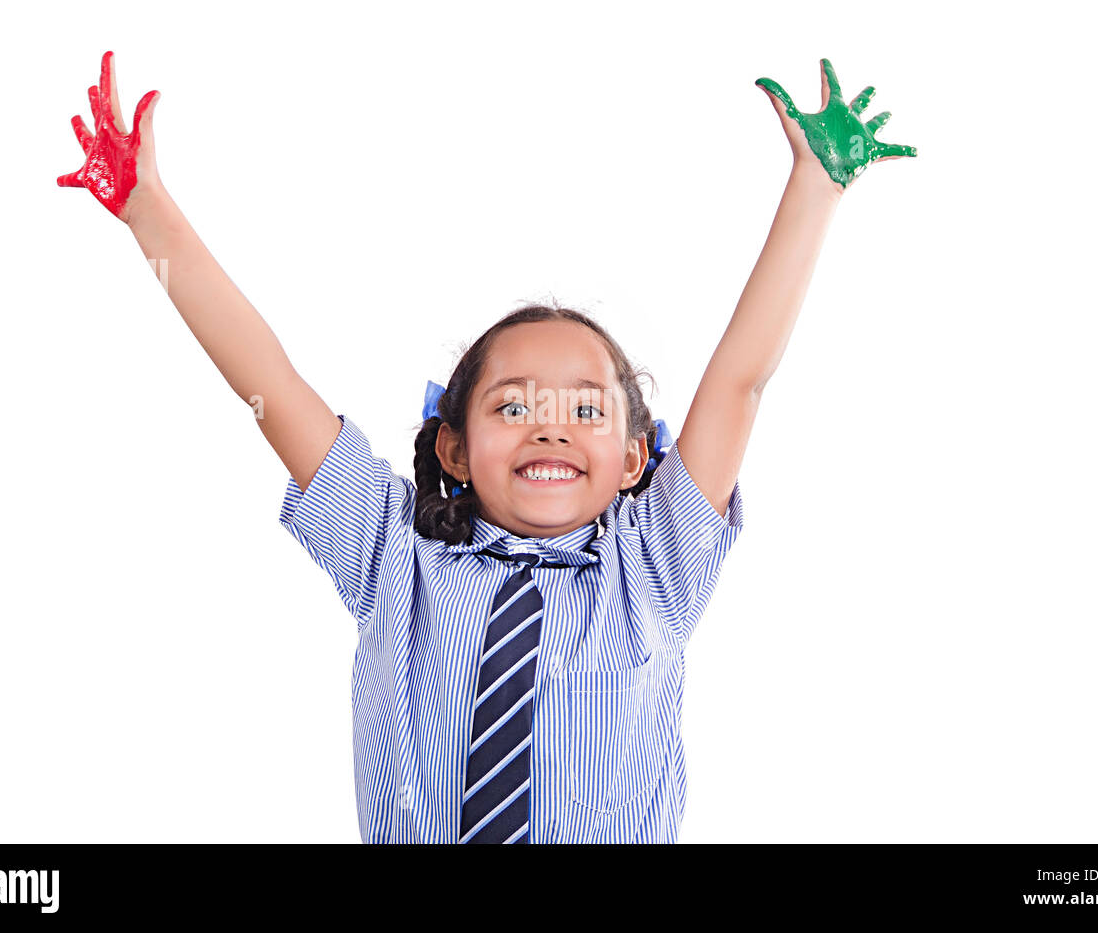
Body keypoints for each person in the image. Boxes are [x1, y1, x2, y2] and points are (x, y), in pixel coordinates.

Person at [57, 50, 915, 843]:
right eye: (513, 408)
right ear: (456, 450)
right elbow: (269, 383)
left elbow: (738, 382)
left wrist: (815, 190)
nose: (549, 425)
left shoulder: (656, 565)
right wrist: (148, 214)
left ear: (633, 459)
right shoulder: (390, 554)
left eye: (585, 409)